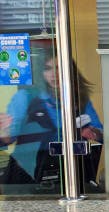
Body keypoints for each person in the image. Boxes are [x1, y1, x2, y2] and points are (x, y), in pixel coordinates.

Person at [0, 54, 103, 190]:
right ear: (41, 73)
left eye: (58, 68)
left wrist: (93, 133)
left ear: (69, 70)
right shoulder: (26, 97)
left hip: (69, 175)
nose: (54, 74)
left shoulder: (80, 99)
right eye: (47, 68)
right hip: (27, 177)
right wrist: (4, 130)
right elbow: (7, 139)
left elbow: (102, 136)